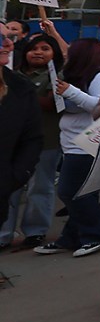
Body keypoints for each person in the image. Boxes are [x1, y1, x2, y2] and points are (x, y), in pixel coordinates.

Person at [36, 38, 100, 257]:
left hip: (87, 144)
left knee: (70, 192)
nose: (67, 57)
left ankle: (97, 233)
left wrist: (71, 92)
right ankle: (71, 237)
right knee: (79, 193)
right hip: (71, 143)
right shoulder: (76, 75)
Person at [1, 34, 65, 250]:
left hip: (46, 142)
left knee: (40, 188)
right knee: (8, 189)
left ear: (54, 53)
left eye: (45, 48)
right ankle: (4, 233)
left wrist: (23, 96)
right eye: (33, 48)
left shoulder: (55, 76)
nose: (38, 52)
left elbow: (55, 104)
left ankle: (35, 231)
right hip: (11, 145)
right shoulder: (11, 75)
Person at [0, 31, 43, 241]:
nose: (8, 44)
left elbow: (31, 139)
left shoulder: (21, 87)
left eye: (9, 38)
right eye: (1, 38)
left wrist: (14, 177)